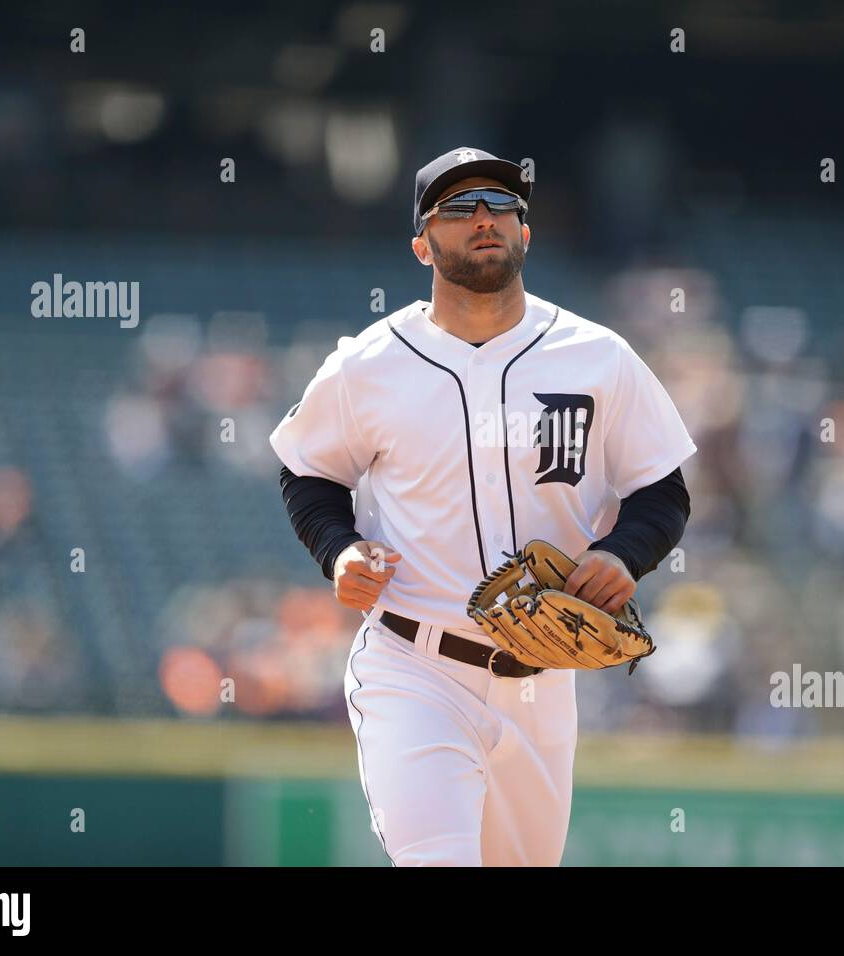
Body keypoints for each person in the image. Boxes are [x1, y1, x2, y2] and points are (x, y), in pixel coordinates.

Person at [270, 146, 695, 866]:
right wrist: (337, 549)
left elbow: (662, 490)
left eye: (502, 206)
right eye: (459, 208)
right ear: (422, 243)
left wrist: (625, 556)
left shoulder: (598, 356)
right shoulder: (370, 364)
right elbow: (307, 473)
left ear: (525, 233)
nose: (485, 220)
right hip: (415, 665)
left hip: (543, 680)